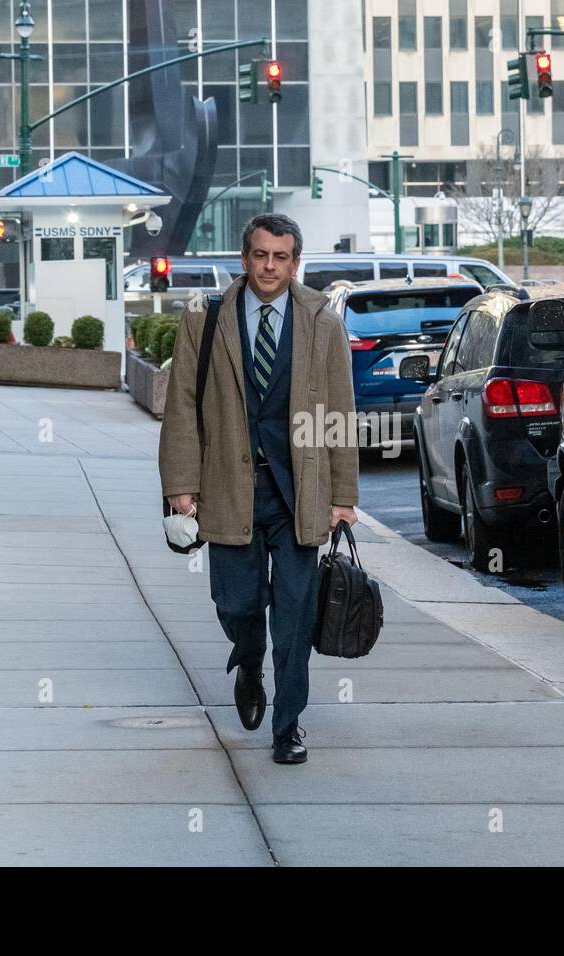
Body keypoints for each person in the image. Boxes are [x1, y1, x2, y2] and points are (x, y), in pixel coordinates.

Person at [158, 213, 359, 764]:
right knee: (237, 602)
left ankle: (288, 724)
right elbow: (181, 406)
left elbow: (338, 412)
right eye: (260, 255)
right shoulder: (207, 317)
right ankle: (248, 659)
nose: (270, 266)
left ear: (296, 263)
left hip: (301, 493)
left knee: (294, 614)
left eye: (281, 257)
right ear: (244, 258)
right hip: (228, 485)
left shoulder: (321, 320)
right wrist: (180, 483)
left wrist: (343, 496)